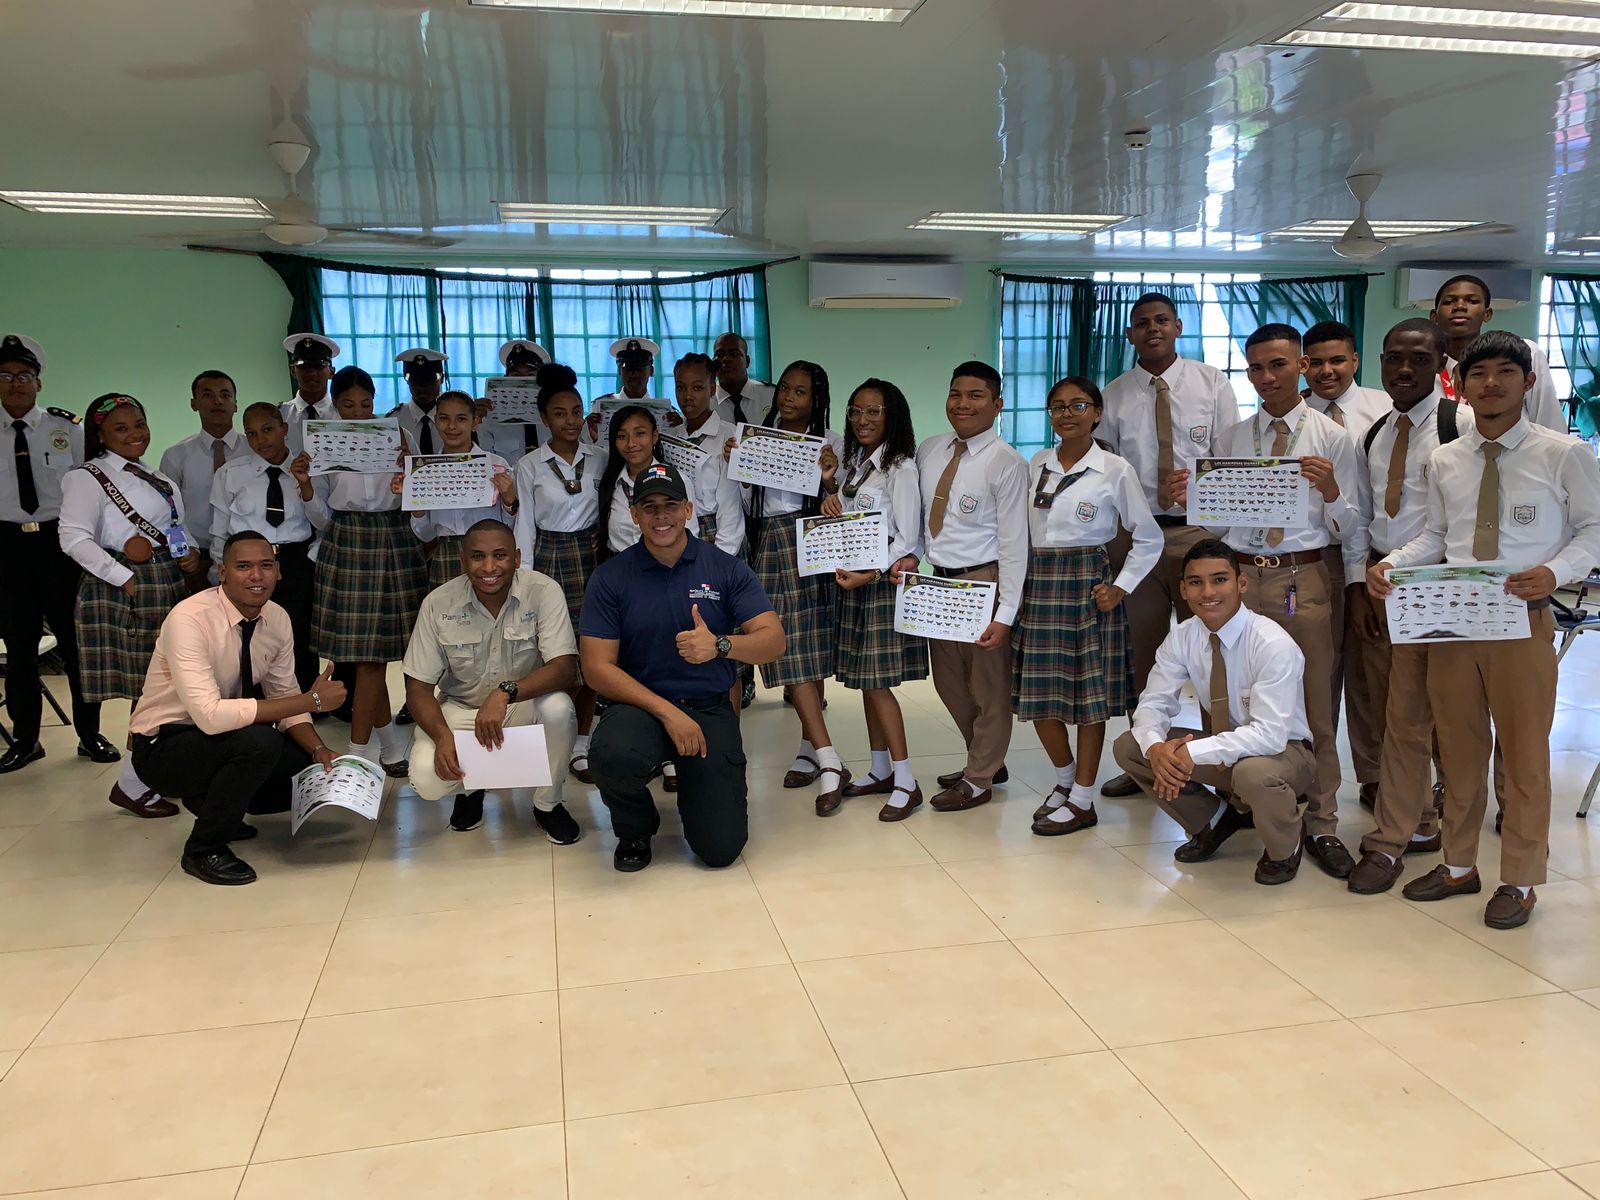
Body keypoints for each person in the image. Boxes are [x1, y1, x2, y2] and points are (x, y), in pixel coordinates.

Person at [1369, 330, 1600, 928]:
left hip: (1524, 621)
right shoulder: (1445, 458)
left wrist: (1555, 571)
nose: (1490, 384)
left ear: (1527, 382)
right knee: (1461, 749)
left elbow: (1594, 531)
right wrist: (1392, 565)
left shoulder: (1563, 452)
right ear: (1462, 386)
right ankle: (1458, 864)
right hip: (1453, 619)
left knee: (1524, 755)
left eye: (1504, 372)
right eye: (1478, 375)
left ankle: (1520, 879)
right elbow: (1438, 539)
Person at [1170, 324, 1365, 879]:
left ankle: (1322, 821)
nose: (1266, 377)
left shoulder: (1330, 437)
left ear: (1301, 367)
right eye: (1255, 368)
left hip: (1299, 579)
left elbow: (1352, 527)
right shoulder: (1233, 438)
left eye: (1277, 365)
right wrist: (1194, 498)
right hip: (1238, 580)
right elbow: (1217, 523)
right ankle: (1239, 805)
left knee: (1315, 704)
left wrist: (1330, 491)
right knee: (1225, 698)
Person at [579, 463, 785, 871]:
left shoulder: (725, 568)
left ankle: (698, 787)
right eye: (649, 507)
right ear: (633, 514)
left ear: (689, 510)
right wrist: (668, 713)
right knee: (611, 755)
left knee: (720, 850)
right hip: (640, 708)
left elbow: (773, 641)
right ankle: (635, 827)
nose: (661, 517)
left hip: (707, 707)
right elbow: (596, 669)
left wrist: (720, 645)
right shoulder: (610, 577)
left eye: (670, 505)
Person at [129, 531, 346, 885]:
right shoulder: (189, 619)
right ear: (222, 572)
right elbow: (211, 717)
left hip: (217, 737)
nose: (256, 576)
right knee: (261, 742)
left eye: (265, 566)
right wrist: (314, 700)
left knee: (301, 767)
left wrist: (319, 749)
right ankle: (203, 849)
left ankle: (214, 805)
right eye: (243, 566)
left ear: (279, 572)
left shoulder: (276, 618)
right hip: (163, 746)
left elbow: (283, 694)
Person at [1096, 293, 1237, 800]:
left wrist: (1200, 490)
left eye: (1161, 321)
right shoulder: (1112, 395)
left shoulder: (1211, 383)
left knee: (1212, 648)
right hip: (1139, 539)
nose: (1152, 329)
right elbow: (1106, 472)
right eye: (1141, 324)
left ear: (1177, 326)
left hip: (1202, 534)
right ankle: (1145, 752)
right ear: (1130, 335)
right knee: (1144, 651)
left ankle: (1220, 756)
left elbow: (1230, 460)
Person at [1112, 538, 1317, 885]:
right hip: (1227, 745)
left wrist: (1187, 751)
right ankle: (1216, 820)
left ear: (1241, 584)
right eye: (1196, 582)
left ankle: (1285, 847)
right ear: (1184, 589)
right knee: (1130, 747)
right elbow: (1153, 703)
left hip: (1284, 753)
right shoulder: (1183, 636)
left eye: (1219, 579)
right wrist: (1156, 748)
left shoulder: (1271, 643)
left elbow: (1270, 735)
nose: (1208, 591)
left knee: (1254, 774)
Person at [1015, 377, 1159, 836]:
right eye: (1057, 406)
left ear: (1097, 413)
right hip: (1039, 584)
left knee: (1088, 702)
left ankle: (1082, 797)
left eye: (1078, 405)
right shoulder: (1038, 462)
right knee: (1039, 698)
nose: (1067, 414)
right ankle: (1062, 780)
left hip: (1088, 587)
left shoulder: (1114, 469)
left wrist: (1121, 586)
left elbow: (1148, 537)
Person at [1345, 319, 1455, 893]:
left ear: (1441, 361)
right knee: (1397, 712)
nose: (1404, 369)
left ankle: (1430, 825)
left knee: (1441, 715)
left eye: (1418, 357)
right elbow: (1365, 515)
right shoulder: (1378, 432)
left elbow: (1449, 526)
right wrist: (1363, 584)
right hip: (1386, 582)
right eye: (1393, 358)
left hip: (1440, 584)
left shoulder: (1457, 426)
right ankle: (1415, 822)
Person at [59, 393, 206, 816]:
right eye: (120, 428)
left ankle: (155, 772)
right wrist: (125, 576)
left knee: (172, 685)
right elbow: (72, 538)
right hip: (124, 588)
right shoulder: (86, 477)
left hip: (166, 580)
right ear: (100, 434)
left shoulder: (156, 475)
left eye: (138, 424)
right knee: (152, 692)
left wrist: (189, 552)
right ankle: (133, 782)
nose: (134, 434)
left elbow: (174, 529)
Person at [402, 520, 580, 839]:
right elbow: (417, 687)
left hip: (519, 705)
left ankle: (547, 804)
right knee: (427, 780)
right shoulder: (438, 603)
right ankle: (472, 788)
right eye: (477, 556)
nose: (489, 567)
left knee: (559, 709)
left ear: (517, 557)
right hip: (461, 709)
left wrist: (505, 693)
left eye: (500, 555)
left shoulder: (543, 591)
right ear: (462, 560)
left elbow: (564, 667)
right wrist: (443, 736)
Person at [722, 361, 846, 810]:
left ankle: (814, 748)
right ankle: (824, 752)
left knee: (807, 644)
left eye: (801, 393)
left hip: (812, 537)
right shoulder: (758, 435)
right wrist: (734, 462)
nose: (790, 399)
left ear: (817, 400)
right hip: (768, 539)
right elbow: (739, 497)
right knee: (788, 644)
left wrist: (831, 476)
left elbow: (846, 499)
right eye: (786, 391)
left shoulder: (831, 442)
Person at [299, 366, 426, 776]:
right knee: (366, 659)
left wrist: (408, 475)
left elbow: (417, 497)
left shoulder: (398, 436)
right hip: (347, 537)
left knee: (377, 656)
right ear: (335, 404)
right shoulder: (323, 440)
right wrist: (304, 484)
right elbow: (320, 515)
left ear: (375, 400)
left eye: (366, 403)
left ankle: (377, 751)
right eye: (348, 404)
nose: (359, 411)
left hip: (394, 537)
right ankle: (369, 752)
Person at [0, 333, 119, 773]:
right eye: (7, 376)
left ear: (39, 382)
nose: (16, 383)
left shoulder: (64, 427)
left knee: (77, 645)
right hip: (6, 546)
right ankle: (26, 739)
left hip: (59, 544)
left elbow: (90, 490)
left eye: (25, 375)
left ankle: (90, 736)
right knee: (20, 648)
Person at [916, 360, 1029, 812]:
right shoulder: (930, 449)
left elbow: (1015, 545)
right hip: (937, 584)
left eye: (976, 395)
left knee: (988, 690)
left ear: (997, 404)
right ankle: (986, 759)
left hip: (984, 582)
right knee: (949, 685)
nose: (963, 404)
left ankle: (979, 777)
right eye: (955, 393)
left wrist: (1006, 614)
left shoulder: (1007, 462)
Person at [822, 379, 927, 819]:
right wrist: (831, 492)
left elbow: (908, 538)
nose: (862, 420)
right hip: (856, 582)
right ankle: (880, 768)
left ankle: (906, 780)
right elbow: (855, 518)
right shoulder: (858, 464)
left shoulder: (900, 468)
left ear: (892, 416)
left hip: (881, 586)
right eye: (855, 411)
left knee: (879, 684)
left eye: (873, 412)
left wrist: (870, 572)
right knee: (865, 682)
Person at [1300, 320, 1390, 811]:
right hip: (1316, 560)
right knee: (1319, 675)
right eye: (1315, 362)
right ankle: (1311, 775)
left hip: (1376, 559)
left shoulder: (1384, 410)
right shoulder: (1292, 418)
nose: (1326, 370)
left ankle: (1374, 774)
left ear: (1355, 360)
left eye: (1337, 360)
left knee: (1367, 675)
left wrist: (1361, 579)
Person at [512, 364, 606, 786]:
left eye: (576, 412)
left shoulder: (601, 458)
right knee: (552, 655)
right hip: (550, 558)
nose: (570, 421)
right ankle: (546, 742)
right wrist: (525, 580)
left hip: (593, 560)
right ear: (545, 418)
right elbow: (525, 525)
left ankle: (582, 743)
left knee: (591, 654)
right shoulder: (530, 464)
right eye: (560, 413)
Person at [210, 402, 322, 691]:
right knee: (250, 633)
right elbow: (220, 530)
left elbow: (323, 521)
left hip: (295, 560)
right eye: (252, 434)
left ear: (284, 429)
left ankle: (303, 705)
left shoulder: (308, 466)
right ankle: (253, 704)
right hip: (248, 563)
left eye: (268, 430)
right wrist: (222, 573)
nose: (261, 440)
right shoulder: (230, 473)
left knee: (298, 634)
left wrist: (305, 483)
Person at [394, 390, 517, 590]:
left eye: (461, 419)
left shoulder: (496, 464)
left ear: (475, 422)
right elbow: (425, 536)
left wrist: (510, 500)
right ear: (435, 421)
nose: (452, 426)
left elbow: (510, 525)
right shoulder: (425, 470)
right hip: (446, 555)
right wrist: (415, 504)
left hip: (490, 553)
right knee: (446, 619)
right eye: (444, 419)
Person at [1429, 274, 1566, 431]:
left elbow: (1550, 422)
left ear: (1487, 314)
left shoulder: (1521, 352)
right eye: (1449, 302)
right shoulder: (1422, 365)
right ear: (1434, 316)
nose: (1460, 306)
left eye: (1472, 301)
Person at [159, 370, 247, 584]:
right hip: (196, 557)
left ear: (235, 404)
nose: (217, 401)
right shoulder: (176, 455)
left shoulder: (253, 452)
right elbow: (165, 513)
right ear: (194, 404)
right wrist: (182, 551)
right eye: (207, 395)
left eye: (225, 395)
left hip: (246, 554)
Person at [671, 353, 745, 556]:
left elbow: (730, 507)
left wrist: (721, 556)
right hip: (677, 535)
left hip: (718, 535)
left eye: (697, 388)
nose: (688, 396)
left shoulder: (728, 436)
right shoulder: (670, 438)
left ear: (712, 389)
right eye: (680, 387)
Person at [479, 338, 552, 458]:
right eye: (516, 375)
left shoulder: (553, 413)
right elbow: (486, 457)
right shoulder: (491, 417)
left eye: (530, 375)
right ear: (505, 378)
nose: (523, 381)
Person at [280, 333, 339, 454]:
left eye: (319, 366)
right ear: (293, 371)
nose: (311, 372)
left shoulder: (342, 415)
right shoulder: (279, 415)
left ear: (331, 372)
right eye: (304, 366)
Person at [712, 331, 774, 426]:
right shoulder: (704, 402)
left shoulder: (771, 395)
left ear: (747, 361)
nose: (726, 359)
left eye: (734, 354)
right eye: (719, 355)